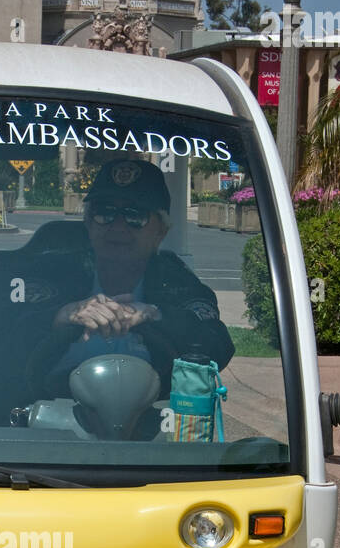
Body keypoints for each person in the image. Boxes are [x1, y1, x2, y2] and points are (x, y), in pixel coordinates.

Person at [25, 158, 234, 400]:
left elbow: (217, 344)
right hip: (49, 423)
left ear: (161, 231)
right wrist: (60, 317)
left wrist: (155, 315)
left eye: (136, 216)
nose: (118, 226)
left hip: (149, 428)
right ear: (88, 222)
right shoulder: (53, 272)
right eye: (105, 213)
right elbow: (2, 331)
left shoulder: (177, 281)